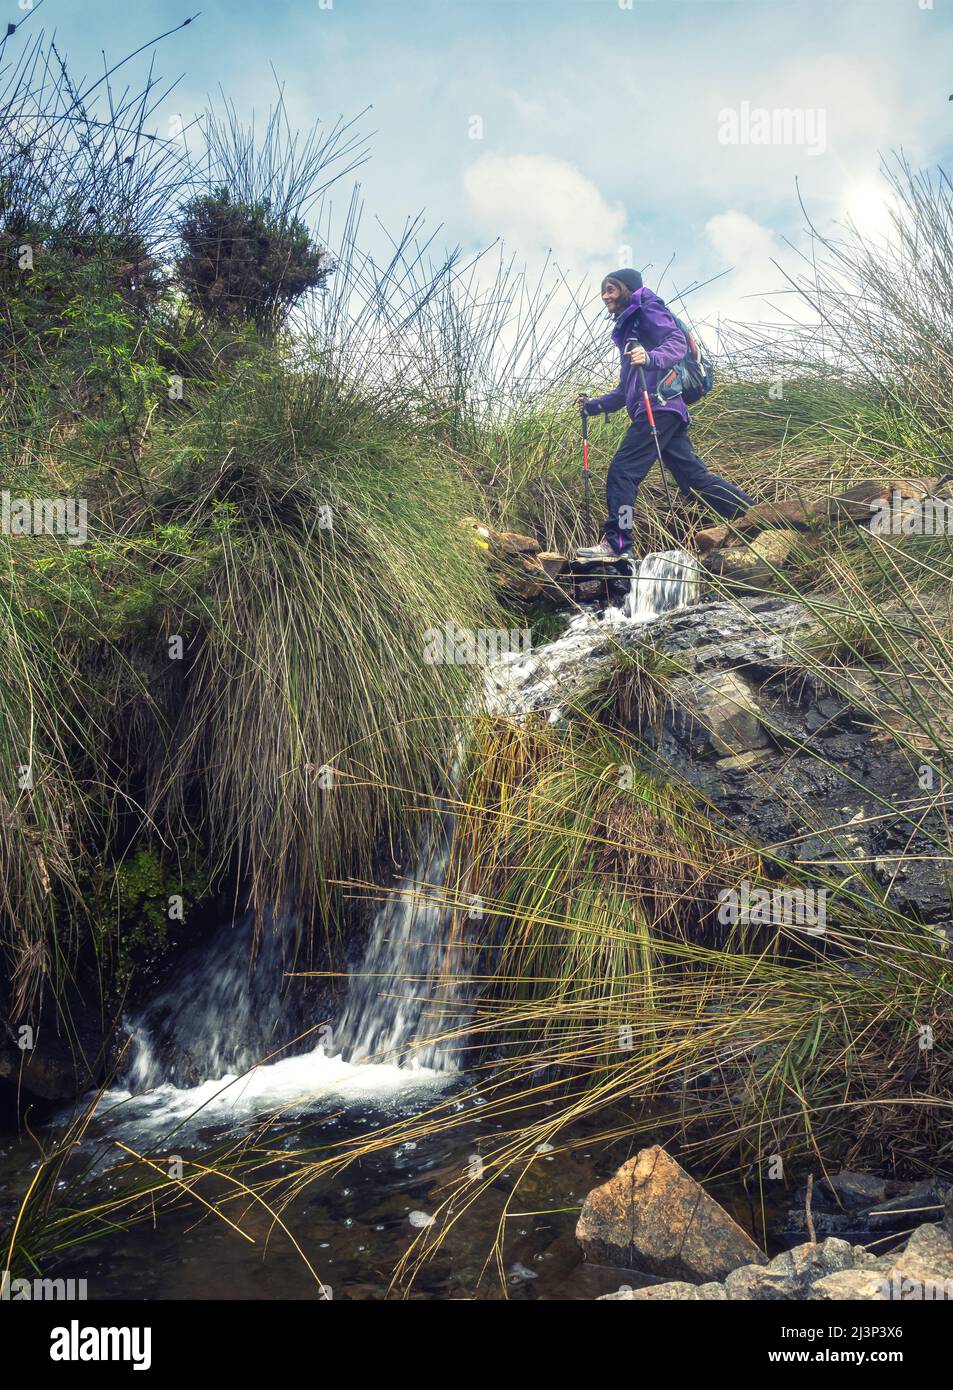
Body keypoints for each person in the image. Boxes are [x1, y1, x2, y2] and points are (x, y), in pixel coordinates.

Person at [575, 269, 754, 559]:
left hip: (657, 408)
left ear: (627, 288)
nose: (605, 296)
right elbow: (625, 390)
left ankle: (618, 543)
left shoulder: (646, 306)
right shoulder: (630, 331)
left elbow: (675, 341)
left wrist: (651, 357)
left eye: (611, 289)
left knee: (623, 472)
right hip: (666, 411)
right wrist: (593, 406)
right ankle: (755, 514)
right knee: (694, 479)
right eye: (603, 291)